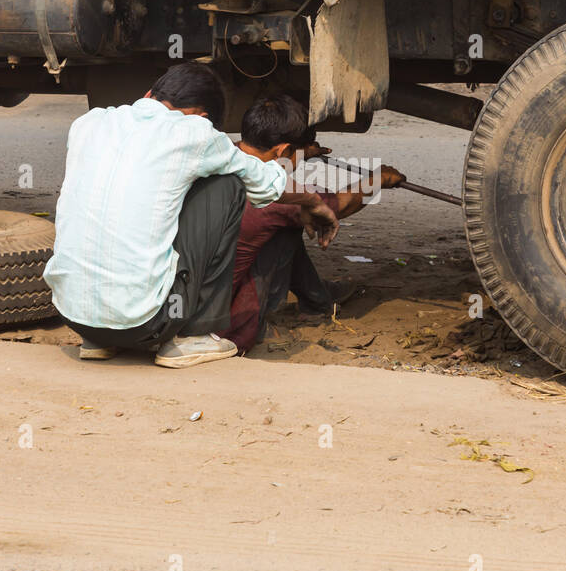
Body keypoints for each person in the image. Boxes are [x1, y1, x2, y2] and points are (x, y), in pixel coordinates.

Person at [43, 65, 339, 368]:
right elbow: (264, 182)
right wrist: (313, 201)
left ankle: (100, 339)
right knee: (226, 183)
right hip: (145, 324)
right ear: (202, 118)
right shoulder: (193, 132)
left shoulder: (89, 123)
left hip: (73, 315)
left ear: (148, 96)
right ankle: (194, 335)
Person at [222, 93, 406, 353]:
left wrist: (300, 152)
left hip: (192, 297)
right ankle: (262, 323)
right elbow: (340, 204)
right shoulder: (274, 194)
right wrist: (381, 179)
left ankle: (317, 299)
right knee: (287, 228)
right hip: (222, 327)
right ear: (283, 150)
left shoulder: (223, 153)